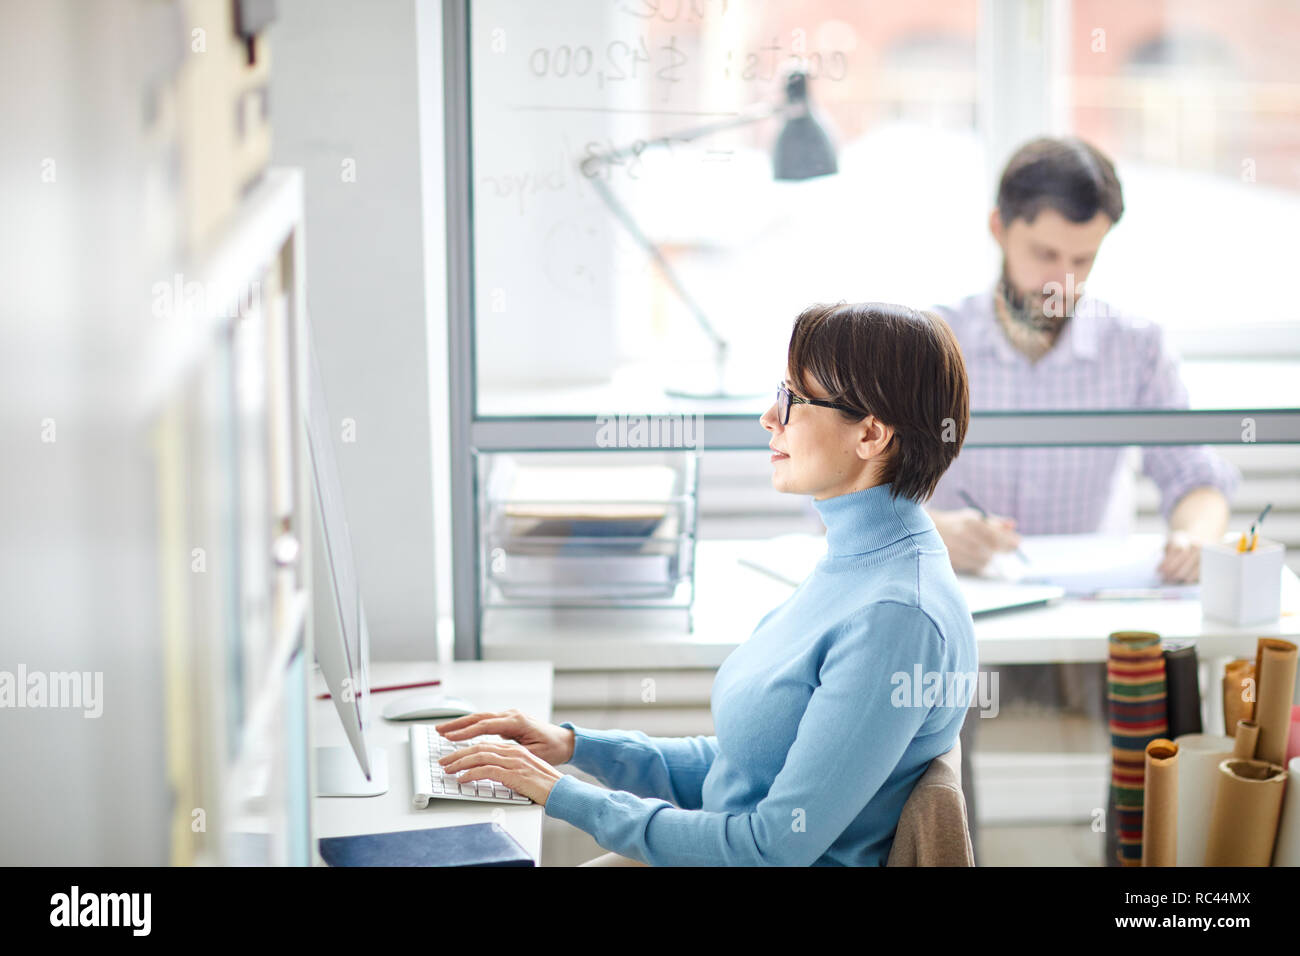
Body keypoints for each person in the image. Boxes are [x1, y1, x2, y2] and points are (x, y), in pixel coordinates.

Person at [433, 302, 978, 866]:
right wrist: (575, 746)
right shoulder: (858, 560)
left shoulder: (896, 616)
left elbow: (772, 847)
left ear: (870, 433)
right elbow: (745, 770)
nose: (770, 417)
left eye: (794, 400)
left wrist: (560, 793)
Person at [923, 136, 1241, 858]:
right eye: (1044, 255)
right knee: (922, 692)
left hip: (1085, 627)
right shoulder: (934, 338)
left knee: (1170, 686)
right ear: (999, 229)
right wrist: (934, 527)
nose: (1061, 280)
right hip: (966, 619)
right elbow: (857, 485)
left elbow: (1196, 477)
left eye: (1084, 260)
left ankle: (1137, 883)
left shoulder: (1136, 346)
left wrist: (1194, 532)